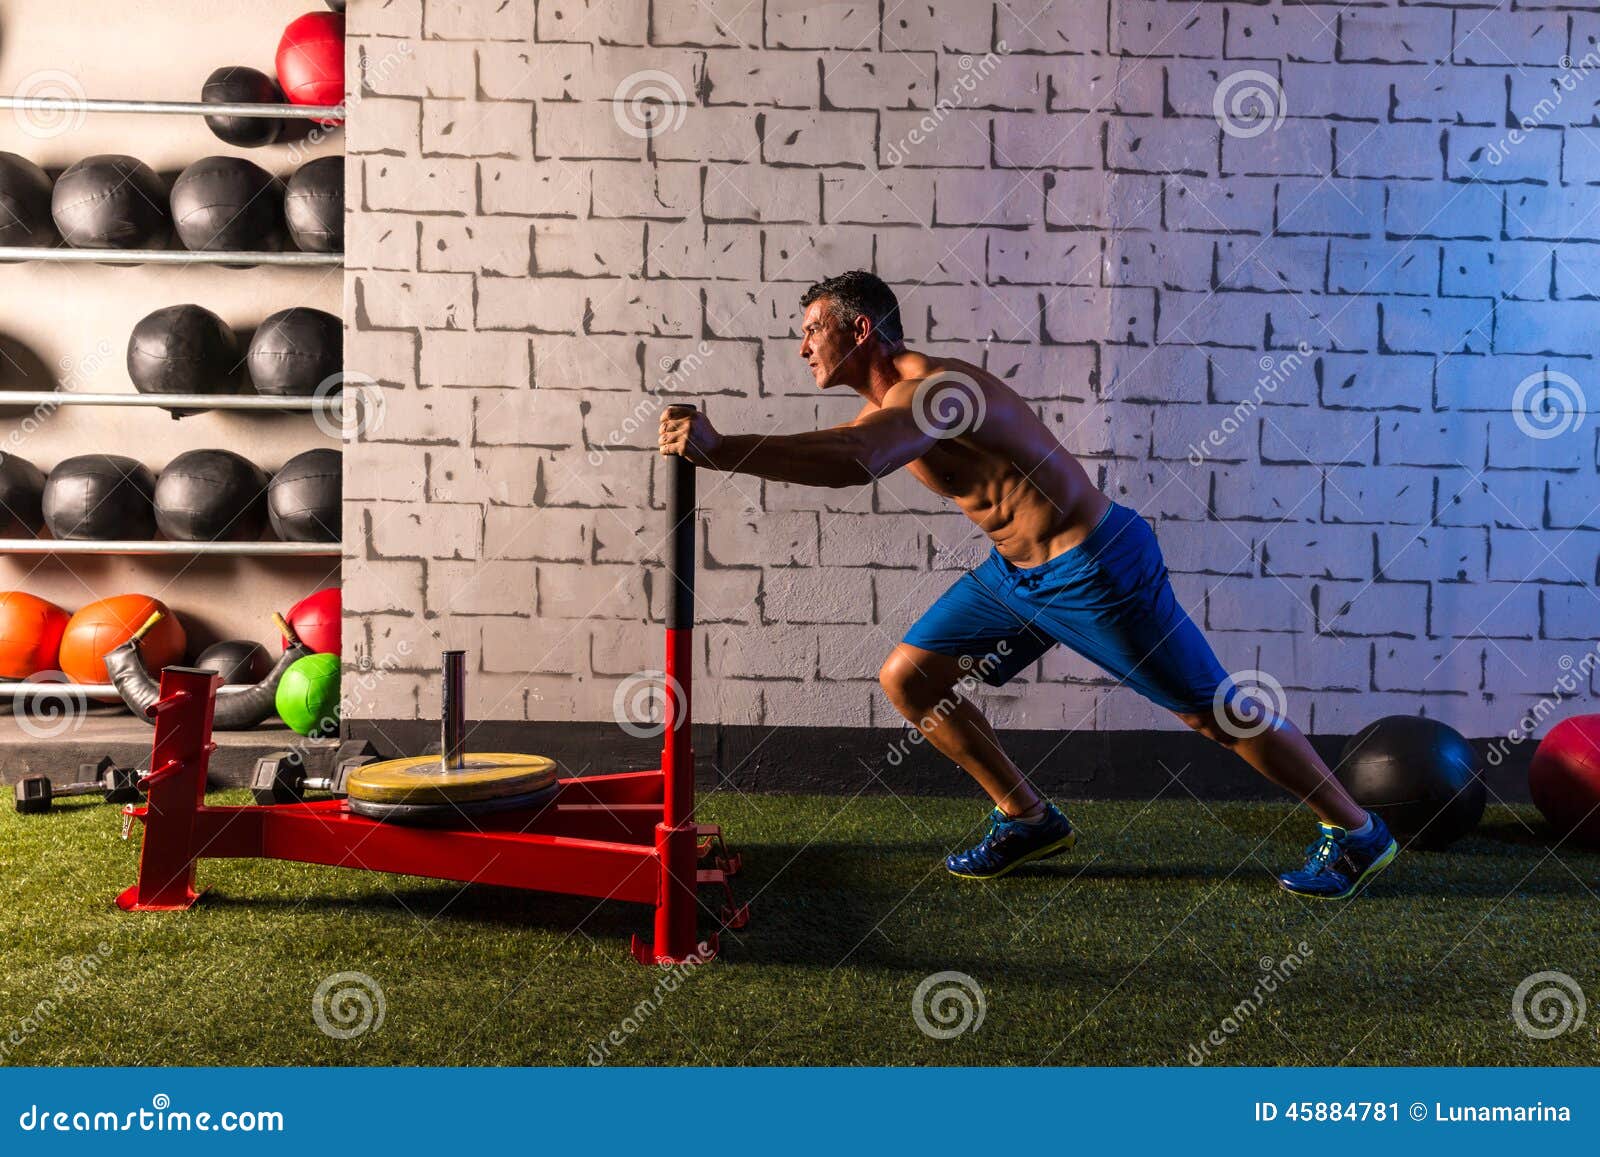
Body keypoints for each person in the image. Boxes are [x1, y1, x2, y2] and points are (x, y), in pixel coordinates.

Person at [657, 271, 1397, 898]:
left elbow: (858, 459)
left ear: (859, 329)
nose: (802, 347)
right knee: (910, 677)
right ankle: (1029, 818)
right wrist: (726, 453)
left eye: (812, 330)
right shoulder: (885, 409)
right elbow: (852, 450)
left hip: (1095, 567)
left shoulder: (937, 390)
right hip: (1017, 576)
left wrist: (723, 449)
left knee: (1212, 713)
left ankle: (1358, 831)